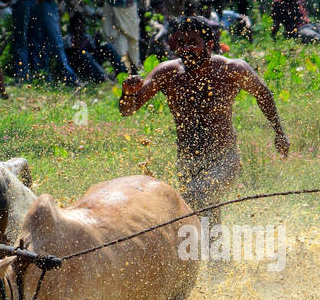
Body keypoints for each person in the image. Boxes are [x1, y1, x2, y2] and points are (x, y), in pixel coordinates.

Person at [119, 15, 288, 231]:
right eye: (181, 44)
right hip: (188, 161)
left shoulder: (231, 69)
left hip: (224, 158)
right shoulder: (168, 73)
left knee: (196, 198)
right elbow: (128, 110)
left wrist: (279, 132)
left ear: (208, 45)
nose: (185, 49)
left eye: (192, 43)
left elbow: (263, 94)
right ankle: (218, 261)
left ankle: (214, 257)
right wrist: (127, 94)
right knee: (204, 217)